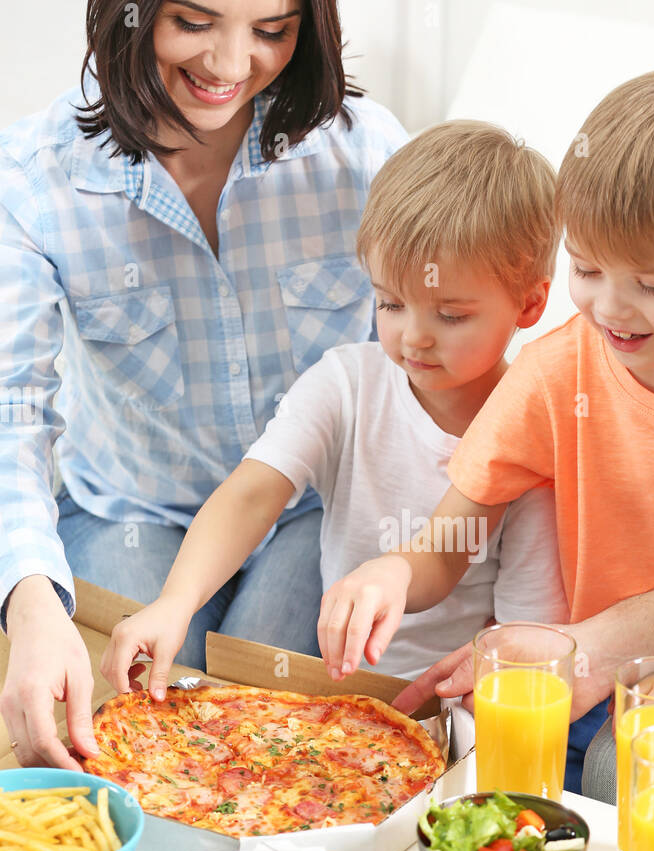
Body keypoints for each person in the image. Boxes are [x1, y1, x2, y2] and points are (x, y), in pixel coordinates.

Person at [316, 66, 654, 807]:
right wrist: (393, 574)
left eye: (653, 285)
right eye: (587, 268)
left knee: (637, 788)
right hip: (565, 688)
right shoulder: (553, 373)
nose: (610, 308)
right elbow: (444, 548)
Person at [0, 0, 407, 771]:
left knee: (264, 749)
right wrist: (30, 604)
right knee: (118, 744)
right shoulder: (35, 179)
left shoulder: (366, 156)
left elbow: (449, 365)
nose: (230, 64)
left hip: (308, 514)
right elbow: (11, 414)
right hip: (131, 515)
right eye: (192, 22)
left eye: (273, 30)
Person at [100, 121, 569, 694]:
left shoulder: (531, 440)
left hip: (452, 703)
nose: (414, 337)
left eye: (450, 315)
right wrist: (175, 601)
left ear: (529, 303)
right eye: (390, 304)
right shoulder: (347, 382)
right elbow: (252, 492)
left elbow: (525, 640)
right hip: (333, 698)